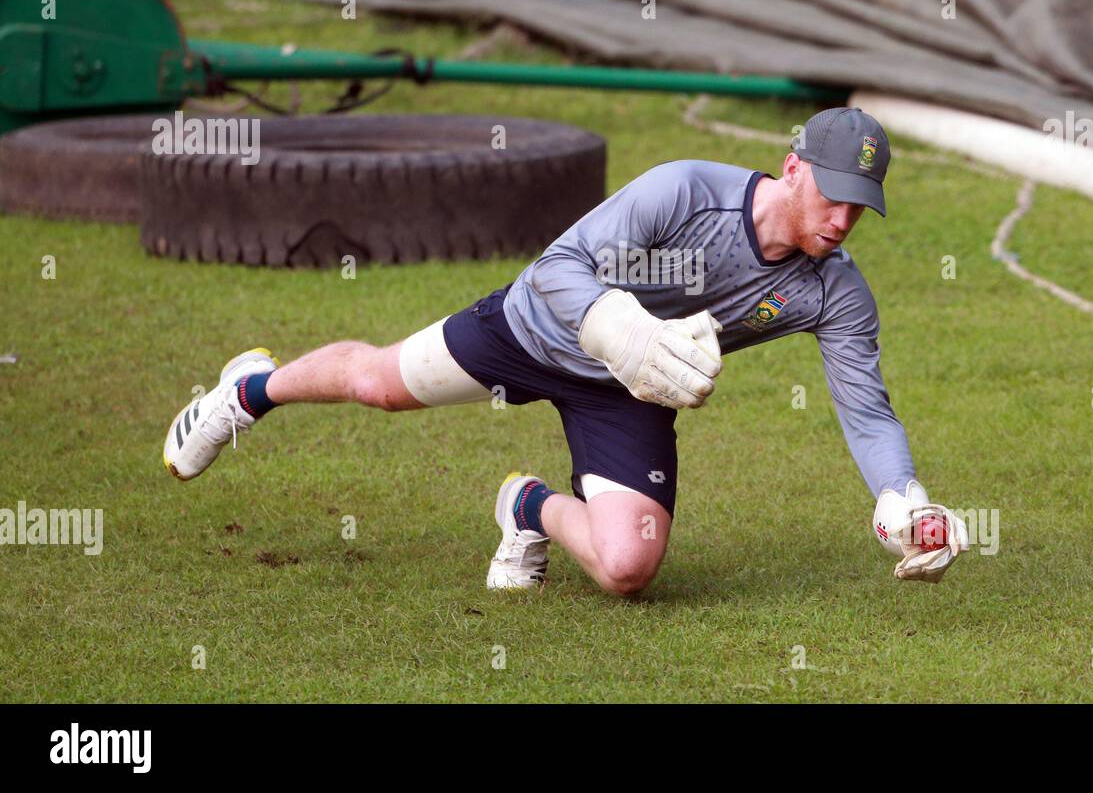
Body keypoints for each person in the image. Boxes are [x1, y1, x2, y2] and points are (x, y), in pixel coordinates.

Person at [163, 107, 968, 595]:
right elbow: (557, 269)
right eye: (831, 196)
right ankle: (248, 392)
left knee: (629, 569)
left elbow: (866, 410)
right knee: (376, 383)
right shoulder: (685, 190)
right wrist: (621, 329)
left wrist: (904, 499)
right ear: (793, 168)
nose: (841, 221)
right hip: (534, 331)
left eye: (860, 209)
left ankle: (526, 507)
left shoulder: (835, 290)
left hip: (626, 392)